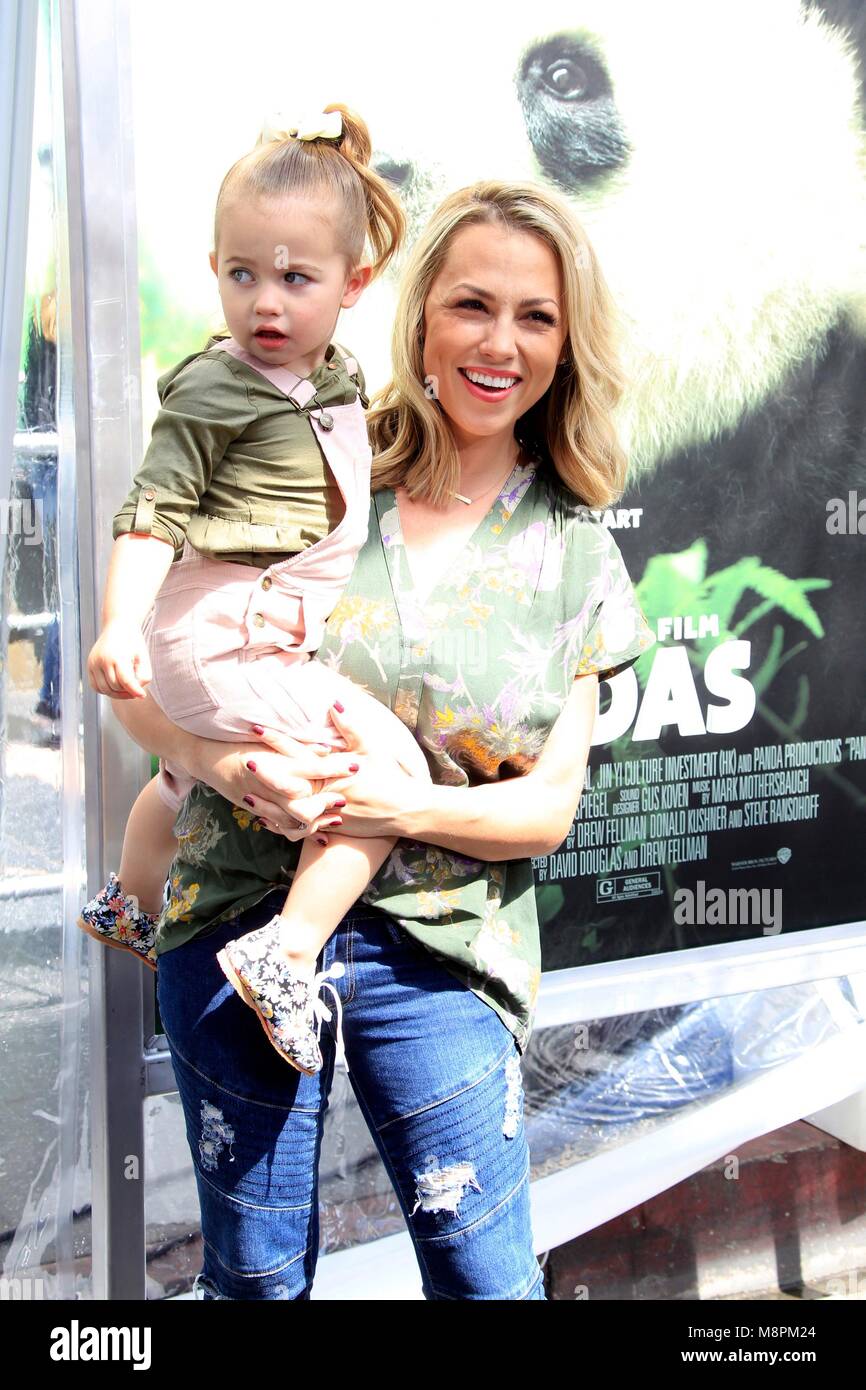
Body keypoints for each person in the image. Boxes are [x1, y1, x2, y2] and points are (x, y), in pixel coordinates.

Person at [111, 179, 656, 1300]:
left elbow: (543, 811)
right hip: (239, 925)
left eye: (534, 316)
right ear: (416, 317)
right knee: (253, 1281)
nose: (498, 342)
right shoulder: (312, 460)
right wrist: (226, 767)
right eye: (470, 304)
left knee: (483, 1280)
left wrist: (392, 808)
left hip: (441, 956)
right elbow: (148, 672)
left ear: (564, 344)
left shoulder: (573, 557)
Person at [79, 104, 440, 1076]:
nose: (265, 303)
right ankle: (283, 951)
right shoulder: (217, 387)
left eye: (294, 278)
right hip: (223, 642)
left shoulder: (327, 375)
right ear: (213, 271)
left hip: (244, 641)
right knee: (389, 772)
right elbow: (155, 511)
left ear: (352, 284)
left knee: (180, 777)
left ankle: (128, 898)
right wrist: (118, 622)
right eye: (243, 275)